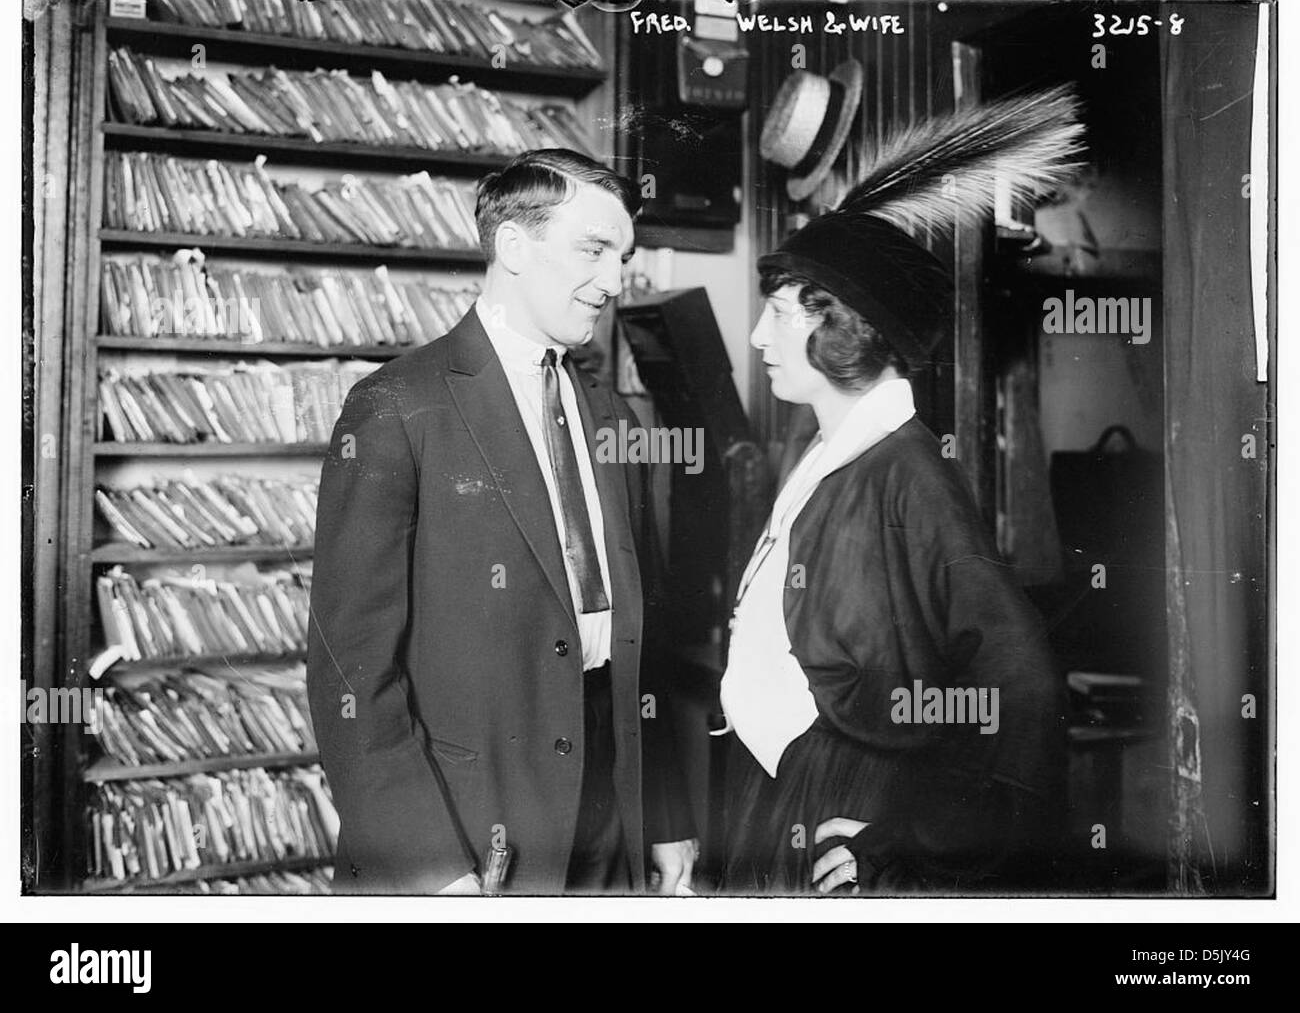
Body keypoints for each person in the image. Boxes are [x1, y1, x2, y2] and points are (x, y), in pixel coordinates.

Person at [720, 87, 1084, 895]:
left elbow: (1020, 683)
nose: (757, 336)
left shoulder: (907, 473)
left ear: (841, 326)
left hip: (842, 804)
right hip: (783, 793)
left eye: (778, 315)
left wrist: (917, 833)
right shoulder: (835, 453)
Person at [307, 148, 696, 895]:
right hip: (465, 835)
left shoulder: (614, 414)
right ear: (513, 246)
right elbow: (349, 672)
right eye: (594, 250)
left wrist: (666, 813)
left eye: (623, 258)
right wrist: (433, 870)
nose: (616, 282)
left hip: (610, 820)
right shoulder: (394, 405)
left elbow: (645, 641)